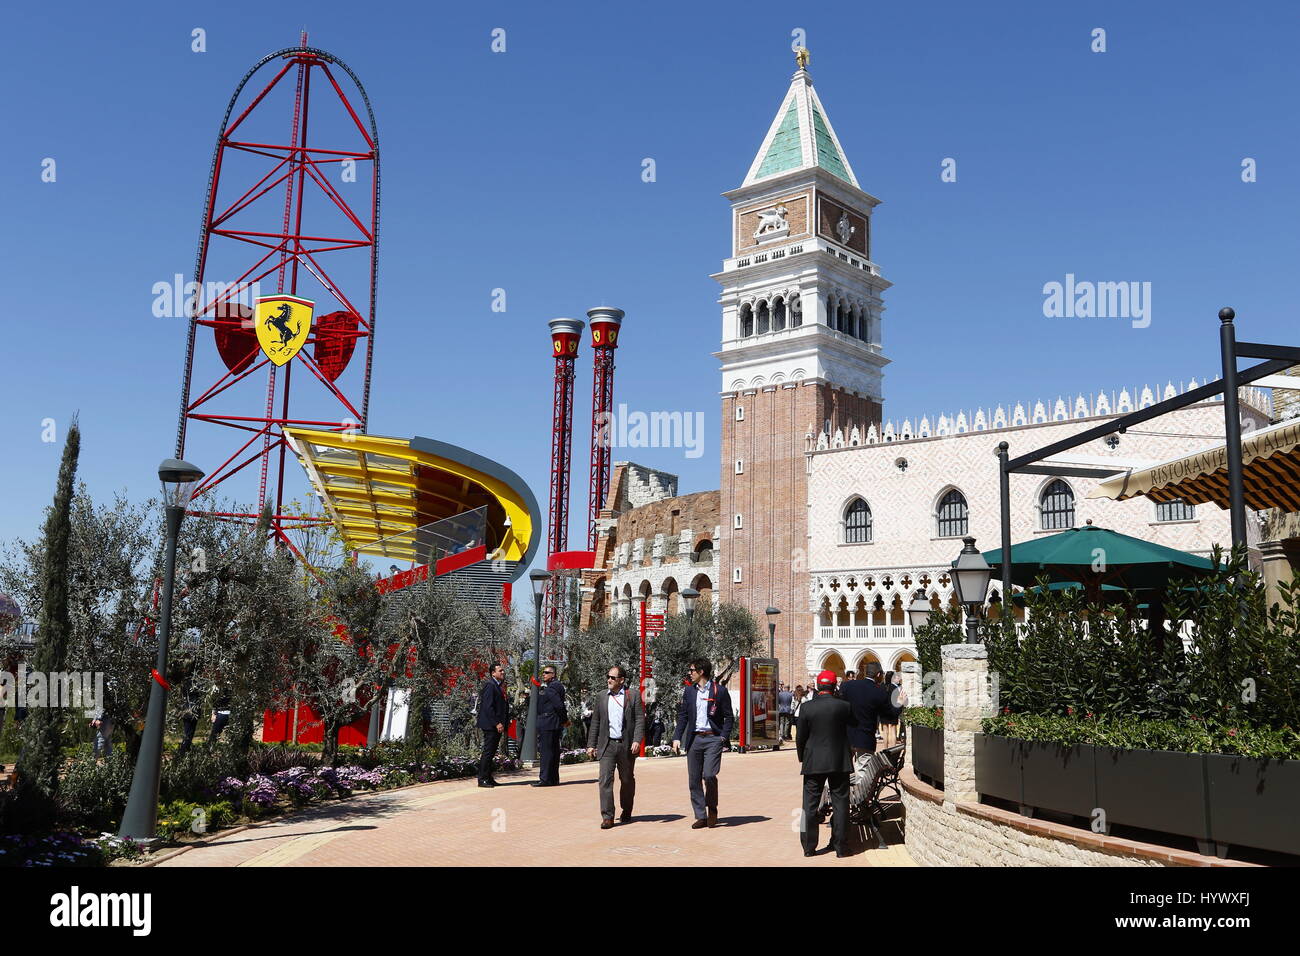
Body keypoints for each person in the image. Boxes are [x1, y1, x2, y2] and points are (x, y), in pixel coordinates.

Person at [672, 657, 735, 829]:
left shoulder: (719, 691)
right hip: (694, 739)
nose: (689, 673)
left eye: (692, 670)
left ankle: (712, 809)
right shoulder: (689, 692)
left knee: (709, 775)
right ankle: (701, 815)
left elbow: (729, 717)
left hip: (713, 738)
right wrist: (677, 737)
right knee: (694, 779)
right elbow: (683, 716)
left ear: (701, 672)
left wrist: (723, 737)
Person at [797, 669, 853, 858]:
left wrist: (802, 757)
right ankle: (840, 846)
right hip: (839, 760)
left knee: (809, 805)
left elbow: (800, 738)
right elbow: (853, 726)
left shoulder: (807, 708)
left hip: (814, 760)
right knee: (841, 803)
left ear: (819, 686)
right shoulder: (844, 706)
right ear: (833, 686)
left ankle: (809, 847)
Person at [586, 665, 645, 828]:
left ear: (621, 680)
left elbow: (640, 719)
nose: (609, 680)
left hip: (626, 745)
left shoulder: (632, 695)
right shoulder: (601, 697)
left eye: (612, 677)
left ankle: (626, 810)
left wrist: (636, 740)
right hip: (607, 745)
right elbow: (596, 722)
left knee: (626, 780)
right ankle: (607, 816)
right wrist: (591, 744)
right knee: (604, 780)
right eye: (608, 677)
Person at [838, 666, 890, 756]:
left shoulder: (847, 686)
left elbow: (841, 706)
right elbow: (888, 714)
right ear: (878, 674)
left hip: (848, 734)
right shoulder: (879, 691)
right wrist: (899, 704)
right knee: (863, 767)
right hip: (866, 737)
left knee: (845, 768)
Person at [475, 663, 509, 787]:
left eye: (503, 670)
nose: (503, 672)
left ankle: (488, 777)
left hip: (496, 725)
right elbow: (488, 707)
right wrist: (497, 723)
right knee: (488, 752)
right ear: (493, 673)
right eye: (500, 671)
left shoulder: (498, 686)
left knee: (492, 752)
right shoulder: (490, 686)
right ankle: (482, 779)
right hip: (491, 725)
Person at [533, 665, 567, 787]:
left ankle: (545, 779)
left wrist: (564, 719)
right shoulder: (556, 686)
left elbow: (559, 705)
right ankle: (552, 779)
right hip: (553, 722)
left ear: (553, 674)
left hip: (548, 723)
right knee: (553, 752)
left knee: (546, 752)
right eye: (543, 672)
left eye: (547, 672)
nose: (544, 674)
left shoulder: (553, 687)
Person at [879, 670, 905, 748]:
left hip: (883, 710)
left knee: (885, 730)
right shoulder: (895, 688)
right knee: (893, 730)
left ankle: (885, 748)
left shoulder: (882, 686)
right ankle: (893, 749)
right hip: (893, 710)